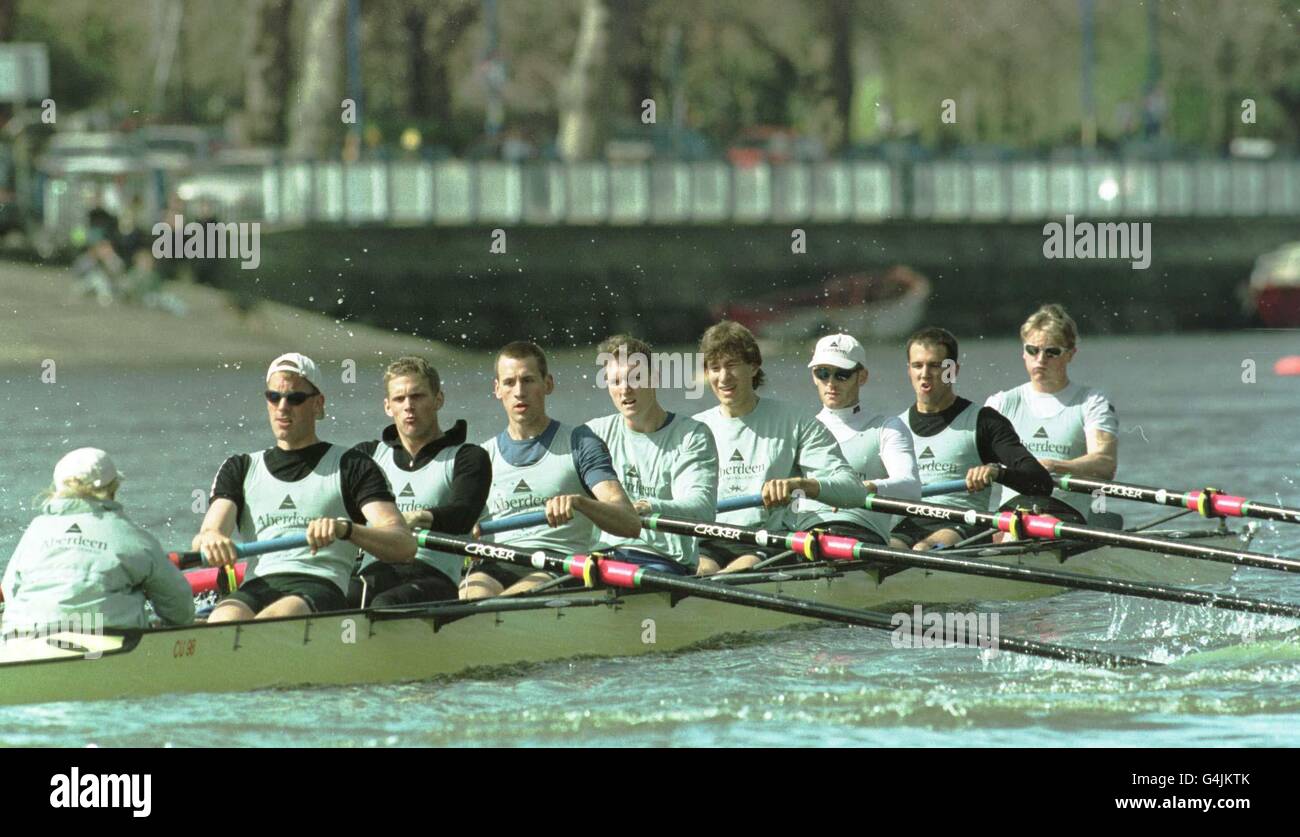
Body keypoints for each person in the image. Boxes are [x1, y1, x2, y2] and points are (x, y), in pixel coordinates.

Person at [193, 353, 416, 621]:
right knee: (222, 619)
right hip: (259, 584)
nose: (282, 407)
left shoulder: (352, 465)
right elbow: (208, 533)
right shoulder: (239, 467)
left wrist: (346, 529)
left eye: (295, 398)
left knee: (275, 619)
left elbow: (403, 544)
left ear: (318, 405)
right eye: (274, 397)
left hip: (321, 586)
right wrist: (211, 539)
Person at [461, 341, 641, 599]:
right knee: (470, 596)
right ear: (497, 389)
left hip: (560, 564)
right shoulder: (481, 456)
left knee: (509, 602)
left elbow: (629, 522)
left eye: (528, 380)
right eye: (510, 382)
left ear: (548, 384)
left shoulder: (581, 443)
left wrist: (580, 503)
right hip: (498, 562)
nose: (519, 391)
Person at [692, 321, 868, 573]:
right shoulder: (695, 429)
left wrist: (800, 485)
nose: (723, 377)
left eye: (732, 365)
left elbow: (853, 490)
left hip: (769, 540)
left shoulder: (795, 421)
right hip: (709, 539)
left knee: (729, 576)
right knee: (701, 572)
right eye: (715, 368)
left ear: (753, 366)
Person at [894, 327, 1053, 550]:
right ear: (909, 370)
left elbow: (1041, 482)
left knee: (922, 549)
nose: (925, 374)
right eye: (917, 366)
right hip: (910, 524)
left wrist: (997, 472)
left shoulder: (985, 422)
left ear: (953, 370)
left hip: (964, 520)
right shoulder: (894, 428)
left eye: (936, 365)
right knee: (890, 548)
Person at [349, 356, 490, 607]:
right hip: (374, 571)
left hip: (433, 576)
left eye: (417, 396)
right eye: (399, 399)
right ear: (387, 407)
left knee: (384, 604)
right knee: (343, 596)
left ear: (438, 400)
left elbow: (464, 514)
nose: (408, 406)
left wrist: (419, 517)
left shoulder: (468, 457)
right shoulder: (366, 456)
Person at [2, 448, 193, 632]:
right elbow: (180, 610)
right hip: (107, 644)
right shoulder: (132, 536)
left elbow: (10, 592)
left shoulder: (36, 531)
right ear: (113, 487)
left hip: (22, 639)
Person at [586, 335, 718, 575]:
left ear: (655, 377)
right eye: (615, 381)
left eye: (635, 378)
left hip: (662, 560)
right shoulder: (592, 434)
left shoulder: (691, 435)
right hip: (601, 557)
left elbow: (702, 508)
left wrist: (645, 506)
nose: (625, 389)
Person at [985, 304, 1118, 521]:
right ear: (1023, 352)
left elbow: (1105, 464)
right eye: (1032, 350)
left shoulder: (1092, 402)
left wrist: (1053, 466)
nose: (1040, 360)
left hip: (1066, 517)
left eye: (1052, 352)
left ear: (1070, 354)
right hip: (1012, 515)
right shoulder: (1000, 403)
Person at [788, 334, 920, 548]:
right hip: (806, 537)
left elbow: (911, 487)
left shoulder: (887, 427)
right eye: (822, 373)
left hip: (862, 536)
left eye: (842, 374)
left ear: (862, 377)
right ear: (814, 377)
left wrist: (857, 490)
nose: (830, 383)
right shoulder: (799, 429)